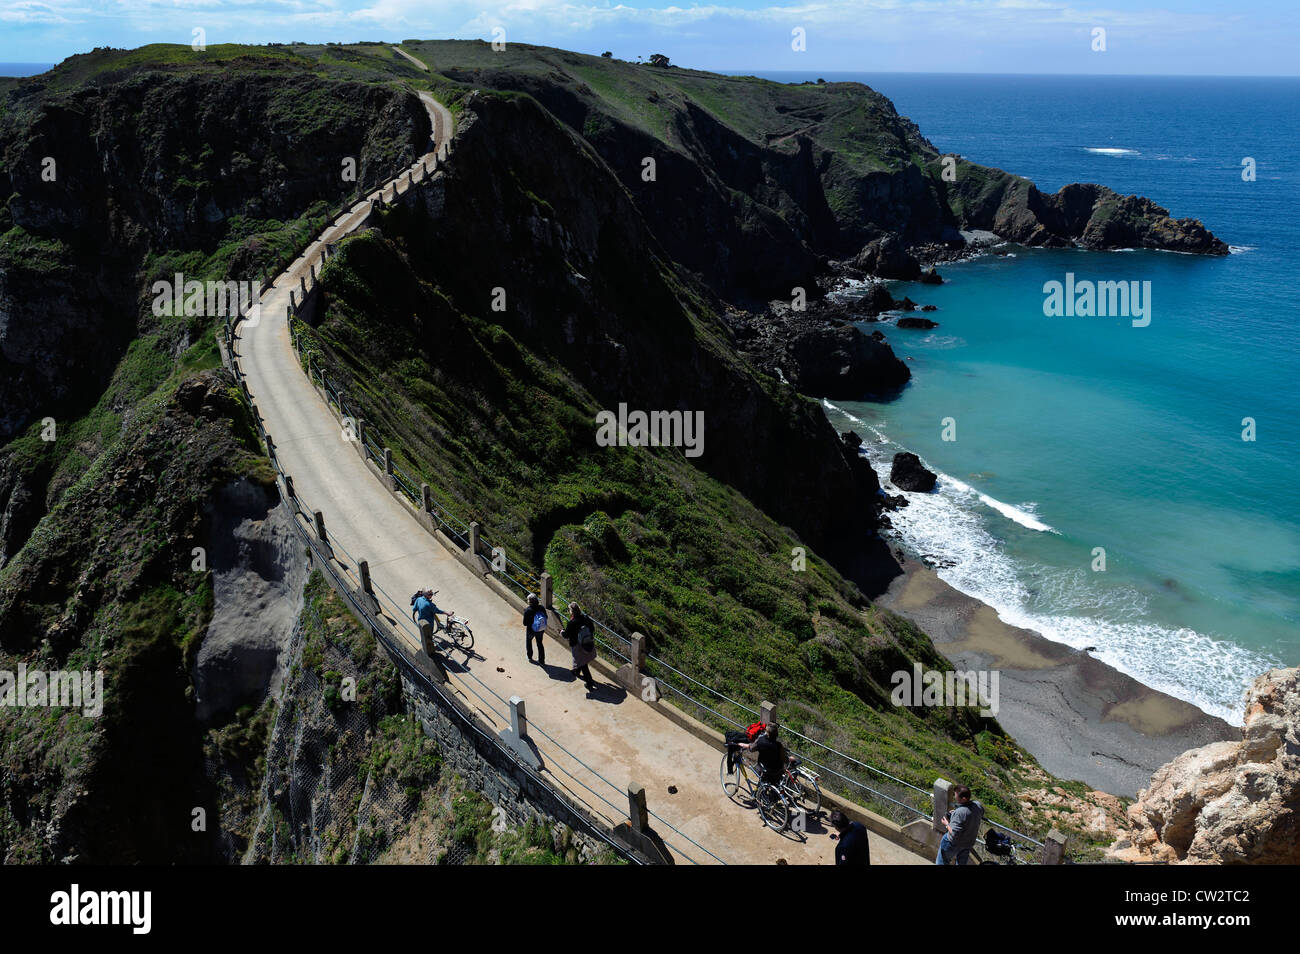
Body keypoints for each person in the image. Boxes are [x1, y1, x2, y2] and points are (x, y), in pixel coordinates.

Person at [935, 784, 984, 865]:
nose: (955, 797)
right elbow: (977, 813)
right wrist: (956, 813)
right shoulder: (977, 805)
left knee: (942, 862)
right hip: (968, 843)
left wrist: (946, 824)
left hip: (953, 843)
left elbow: (954, 833)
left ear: (964, 798)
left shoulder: (960, 812)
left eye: (956, 795)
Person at [564, 601, 597, 690]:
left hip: (577, 645)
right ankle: (576, 671)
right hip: (586, 642)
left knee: (583, 664)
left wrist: (561, 632)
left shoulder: (572, 622)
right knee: (581, 661)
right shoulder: (586, 618)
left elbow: (566, 635)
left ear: (571, 611)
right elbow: (592, 628)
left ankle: (589, 683)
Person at [522, 593, 548, 664]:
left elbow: (524, 623)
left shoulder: (528, 610)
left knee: (529, 642)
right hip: (540, 630)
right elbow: (546, 617)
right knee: (540, 644)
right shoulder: (541, 608)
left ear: (529, 601)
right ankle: (542, 661)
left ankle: (530, 657)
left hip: (531, 630)